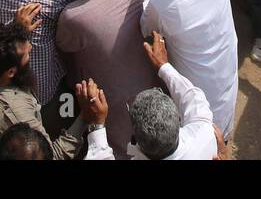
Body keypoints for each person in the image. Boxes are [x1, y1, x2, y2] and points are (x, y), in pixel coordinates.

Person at [56, 0, 161, 158]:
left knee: (123, 145)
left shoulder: (73, 15)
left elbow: (64, 47)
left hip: (114, 99)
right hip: (148, 82)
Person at [140, 0, 238, 138]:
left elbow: (145, 27)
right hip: (224, 59)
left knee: (200, 126)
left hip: (197, 78)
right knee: (222, 116)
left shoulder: (163, 5)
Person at [0, 16, 92, 160]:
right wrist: (85, 117)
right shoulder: (16, 116)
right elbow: (52, 157)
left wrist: (16, 34)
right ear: (10, 72)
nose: (30, 47)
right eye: (26, 54)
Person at [85, 31, 218, 161]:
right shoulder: (204, 135)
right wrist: (164, 67)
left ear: (135, 138)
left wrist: (95, 124)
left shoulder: (205, 132)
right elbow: (192, 97)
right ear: (178, 120)